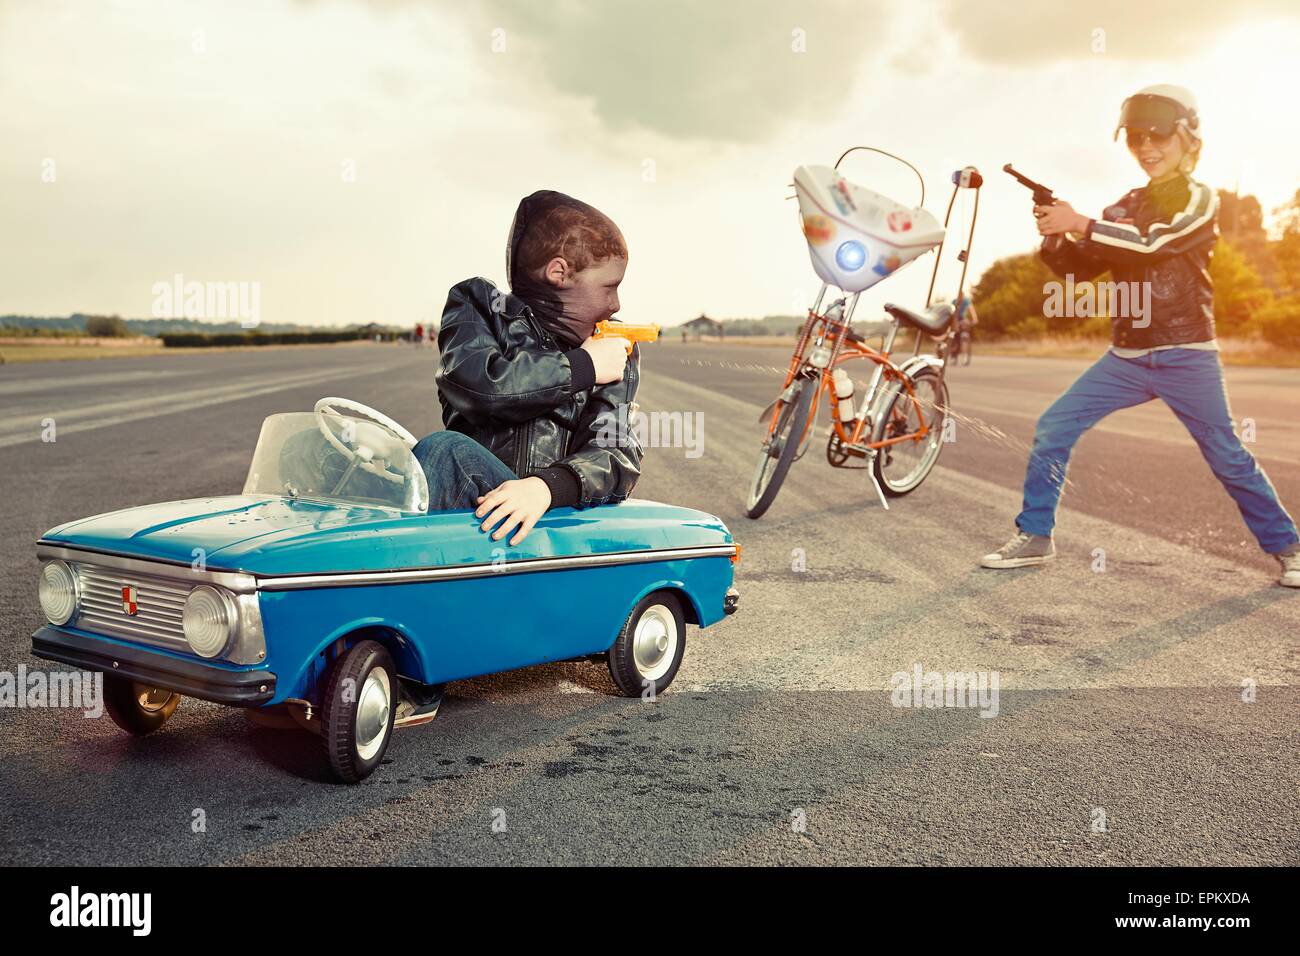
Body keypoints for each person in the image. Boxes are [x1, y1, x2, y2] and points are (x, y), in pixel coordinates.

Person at [980, 85, 1300, 587]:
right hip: (1125, 357)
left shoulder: (1200, 197)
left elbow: (1155, 244)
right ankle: (1036, 536)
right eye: (1135, 139)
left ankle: (1290, 549)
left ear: (1189, 138)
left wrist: (1081, 221)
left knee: (1227, 455)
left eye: (1158, 136)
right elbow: (1080, 269)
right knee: (1053, 427)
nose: (1146, 147)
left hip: (1186, 352)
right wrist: (1054, 232)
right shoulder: (1126, 202)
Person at [414, 189, 641, 546]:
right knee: (442, 452)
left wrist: (544, 489)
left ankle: (396, 591)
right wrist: (581, 367)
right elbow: (481, 388)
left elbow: (616, 452)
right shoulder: (478, 306)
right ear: (559, 272)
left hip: (551, 518)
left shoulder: (614, 347)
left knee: (444, 451)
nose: (616, 303)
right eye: (609, 287)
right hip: (479, 507)